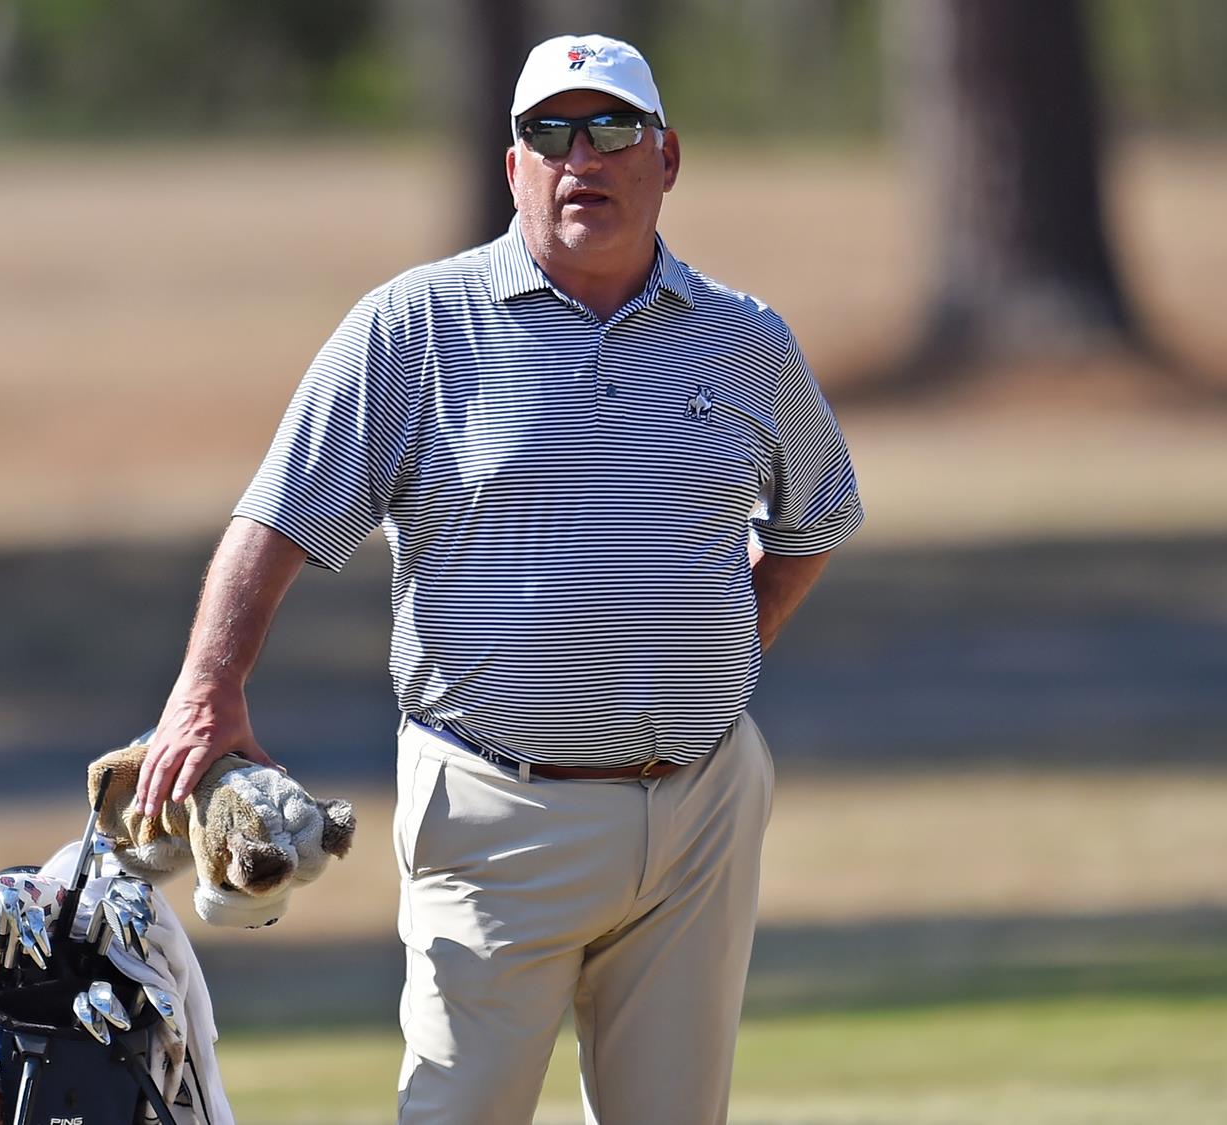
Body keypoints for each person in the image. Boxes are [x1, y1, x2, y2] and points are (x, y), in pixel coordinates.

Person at [132, 33, 863, 1124]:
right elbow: (277, 517)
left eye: (612, 129)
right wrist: (208, 687)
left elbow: (814, 521)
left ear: (665, 159)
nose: (583, 158)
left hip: (702, 810)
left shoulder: (744, 342)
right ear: (512, 165)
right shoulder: (415, 326)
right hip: (494, 812)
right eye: (549, 133)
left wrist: (720, 648)